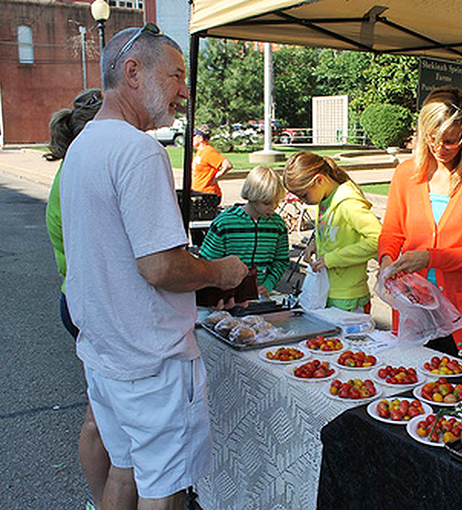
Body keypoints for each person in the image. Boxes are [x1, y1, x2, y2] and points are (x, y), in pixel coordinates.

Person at [60, 24, 248, 509]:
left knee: (125, 470)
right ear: (133, 72)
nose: (185, 90)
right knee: (163, 493)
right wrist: (218, 272)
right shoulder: (139, 150)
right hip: (151, 360)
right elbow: (160, 267)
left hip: (106, 351)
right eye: (177, 75)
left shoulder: (83, 146)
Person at [378, 86, 462, 356]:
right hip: (415, 312)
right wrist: (387, 260)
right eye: (432, 139)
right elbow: (391, 232)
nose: (439, 149)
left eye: (450, 141)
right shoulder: (406, 174)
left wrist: (429, 258)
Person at [44, 88, 111, 510]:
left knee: (103, 413)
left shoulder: (73, 168)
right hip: (90, 306)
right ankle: (104, 501)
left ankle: (105, 499)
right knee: (101, 417)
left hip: (79, 300)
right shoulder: (80, 174)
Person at [283, 152, 382, 313]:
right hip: (328, 291)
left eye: (304, 195)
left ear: (319, 180)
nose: (303, 201)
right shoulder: (325, 198)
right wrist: (315, 245)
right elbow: (337, 233)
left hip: (348, 298)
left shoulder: (348, 203)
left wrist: (331, 259)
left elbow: (378, 239)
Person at [199, 165, 289, 297]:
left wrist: (268, 285)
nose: (272, 208)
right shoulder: (224, 223)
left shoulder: (278, 225)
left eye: (276, 202)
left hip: (259, 295)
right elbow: (207, 262)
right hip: (225, 296)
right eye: (267, 202)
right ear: (252, 196)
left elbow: (281, 261)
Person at [192, 123, 233, 198]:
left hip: (208, 194)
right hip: (199, 191)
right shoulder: (200, 151)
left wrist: (217, 176)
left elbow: (228, 165)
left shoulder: (209, 151)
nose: (192, 138)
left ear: (201, 138)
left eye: (194, 136)